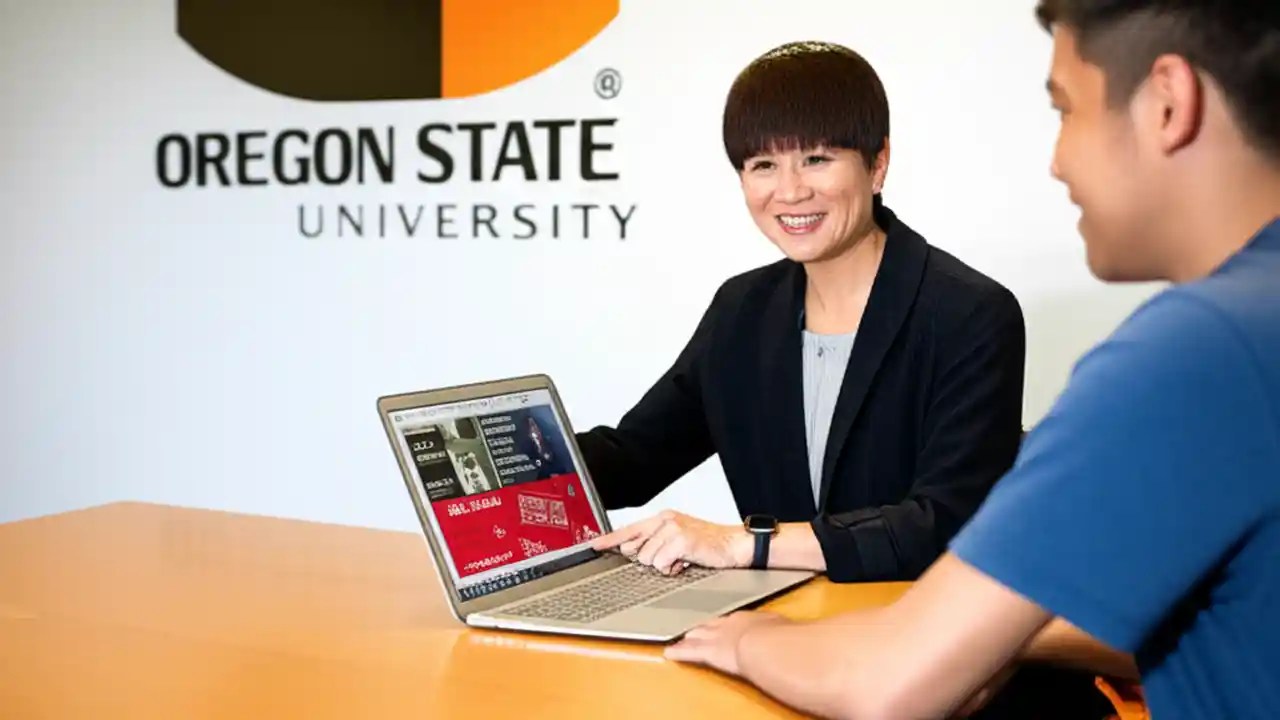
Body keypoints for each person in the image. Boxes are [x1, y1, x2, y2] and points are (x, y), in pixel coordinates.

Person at [660, 2, 1280, 719]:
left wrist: (747, 639)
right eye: (762, 164)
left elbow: (889, 682)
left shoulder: (1193, 354)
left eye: (1065, 110)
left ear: (1169, 104)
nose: (1056, 161)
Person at [575, 41, 1027, 584]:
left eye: (816, 159)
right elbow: (634, 458)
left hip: (915, 636)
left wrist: (743, 544)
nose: (789, 192)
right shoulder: (742, 311)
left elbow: (943, 524)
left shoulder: (969, 313)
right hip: (774, 623)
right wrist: (488, 466)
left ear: (877, 163)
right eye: (763, 165)